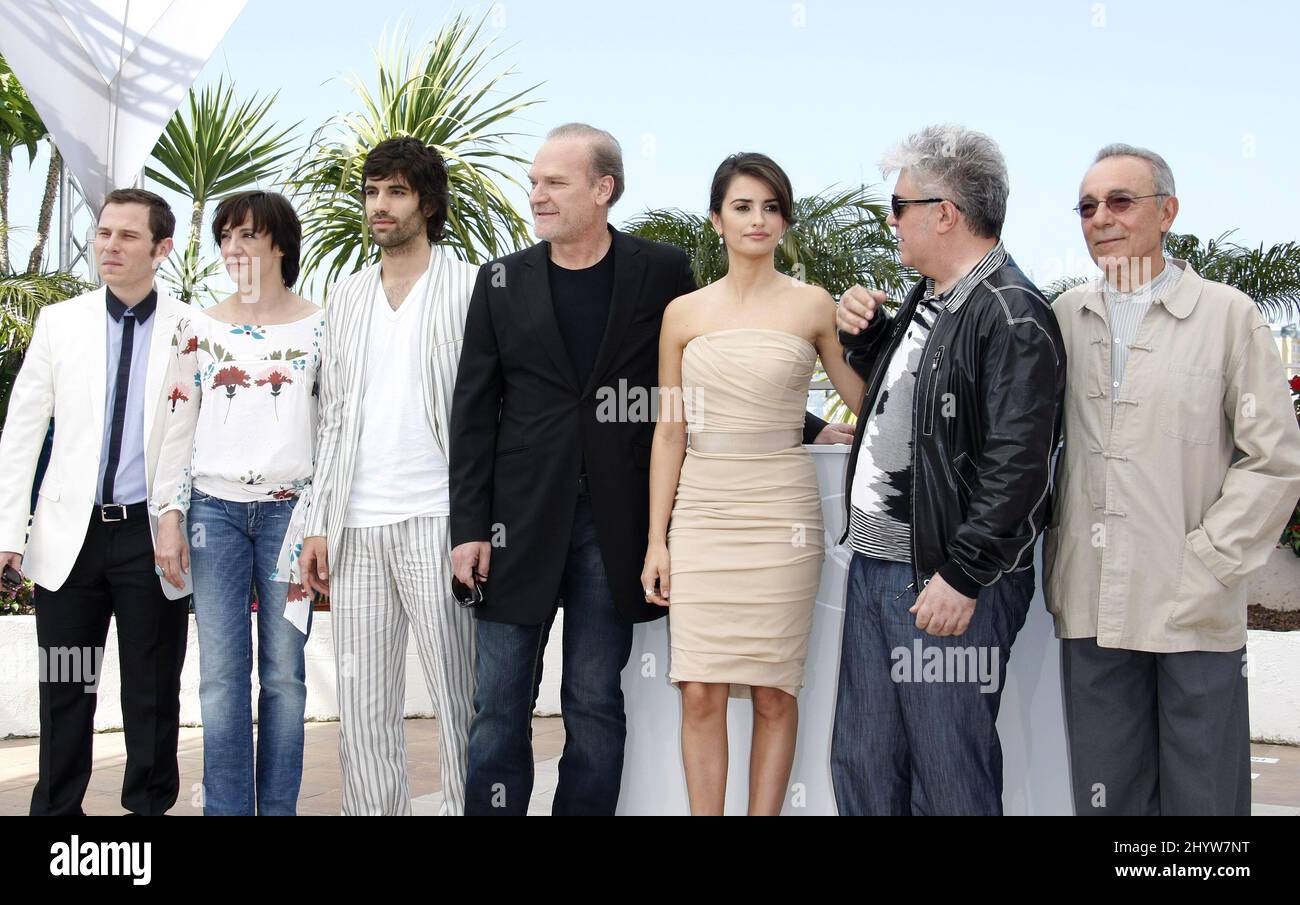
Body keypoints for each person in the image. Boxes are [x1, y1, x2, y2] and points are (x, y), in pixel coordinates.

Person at [450, 124, 845, 816]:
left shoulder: (659, 272)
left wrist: (808, 425)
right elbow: (474, 411)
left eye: (554, 182)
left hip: (616, 523)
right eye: (534, 181)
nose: (536, 193)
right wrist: (469, 528)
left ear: (603, 190)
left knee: (596, 702)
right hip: (518, 523)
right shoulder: (501, 279)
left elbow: (717, 363)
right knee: (497, 706)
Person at [1044, 144, 1300, 816]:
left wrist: (1210, 561)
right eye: (1088, 205)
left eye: (1121, 201)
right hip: (1092, 600)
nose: (1102, 217)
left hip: (1191, 604)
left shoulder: (1227, 316)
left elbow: (1274, 457)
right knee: (1108, 798)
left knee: (1204, 803)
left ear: (1168, 213)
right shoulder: (1066, 317)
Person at [830, 125, 1066, 815]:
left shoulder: (1012, 312)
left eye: (899, 205)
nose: (891, 219)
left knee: (947, 772)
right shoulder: (933, 298)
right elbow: (924, 414)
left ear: (945, 213)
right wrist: (869, 338)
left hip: (945, 576)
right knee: (866, 764)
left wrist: (963, 573)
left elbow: (1019, 465)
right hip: (881, 566)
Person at [640, 153, 864, 815]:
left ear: (784, 220)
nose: (757, 219)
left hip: (782, 515)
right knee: (701, 688)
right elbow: (669, 433)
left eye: (770, 207)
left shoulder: (813, 305)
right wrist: (659, 540)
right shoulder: (682, 313)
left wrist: (875, 341)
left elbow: (862, 397)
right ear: (717, 219)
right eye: (742, 206)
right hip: (704, 513)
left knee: (773, 689)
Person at [295, 137, 480, 816]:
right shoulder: (343, 298)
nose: (380, 204)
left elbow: (492, 409)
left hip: (440, 519)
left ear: (427, 203)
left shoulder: (471, 285)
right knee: (364, 712)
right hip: (357, 526)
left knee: (461, 702)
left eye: (396, 191)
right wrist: (318, 521)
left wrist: (480, 521)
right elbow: (334, 416)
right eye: (373, 191)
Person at [0, 188, 190, 815]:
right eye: (104, 233)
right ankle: (57, 820)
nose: (110, 246)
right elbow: (23, 430)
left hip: (150, 538)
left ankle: (147, 814)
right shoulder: (61, 322)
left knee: (152, 689)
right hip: (70, 541)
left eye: (128, 236)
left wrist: (178, 520)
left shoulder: (192, 329)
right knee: (66, 687)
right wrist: (8, 530)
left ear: (162, 248)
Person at [150, 190, 321, 815]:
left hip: (291, 518)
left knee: (284, 678)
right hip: (212, 517)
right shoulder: (196, 326)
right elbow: (175, 427)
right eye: (225, 236)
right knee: (221, 681)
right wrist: (168, 518)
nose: (233, 248)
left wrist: (321, 522)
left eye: (247, 235)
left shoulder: (322, 324)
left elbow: (331, 429)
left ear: (279, 243)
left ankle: (277, 810)